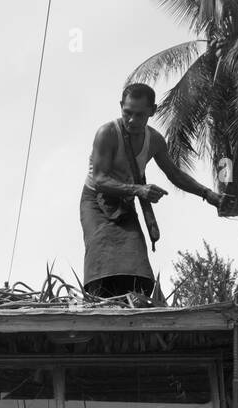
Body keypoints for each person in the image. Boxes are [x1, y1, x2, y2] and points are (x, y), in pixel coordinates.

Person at [81, 82, 222, 300]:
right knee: (101, 258)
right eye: (127, 113)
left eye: (139, 115)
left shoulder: (154, 140)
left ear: (152, 111)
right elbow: (99, 180)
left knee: (136, 260)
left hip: (125, 202)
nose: (132, 120)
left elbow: (174, 174)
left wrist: (207, 194)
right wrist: (138, 189)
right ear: (121, 106)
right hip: (95, 203)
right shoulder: (107, 133)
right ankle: (99, 304)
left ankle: (135, 306)